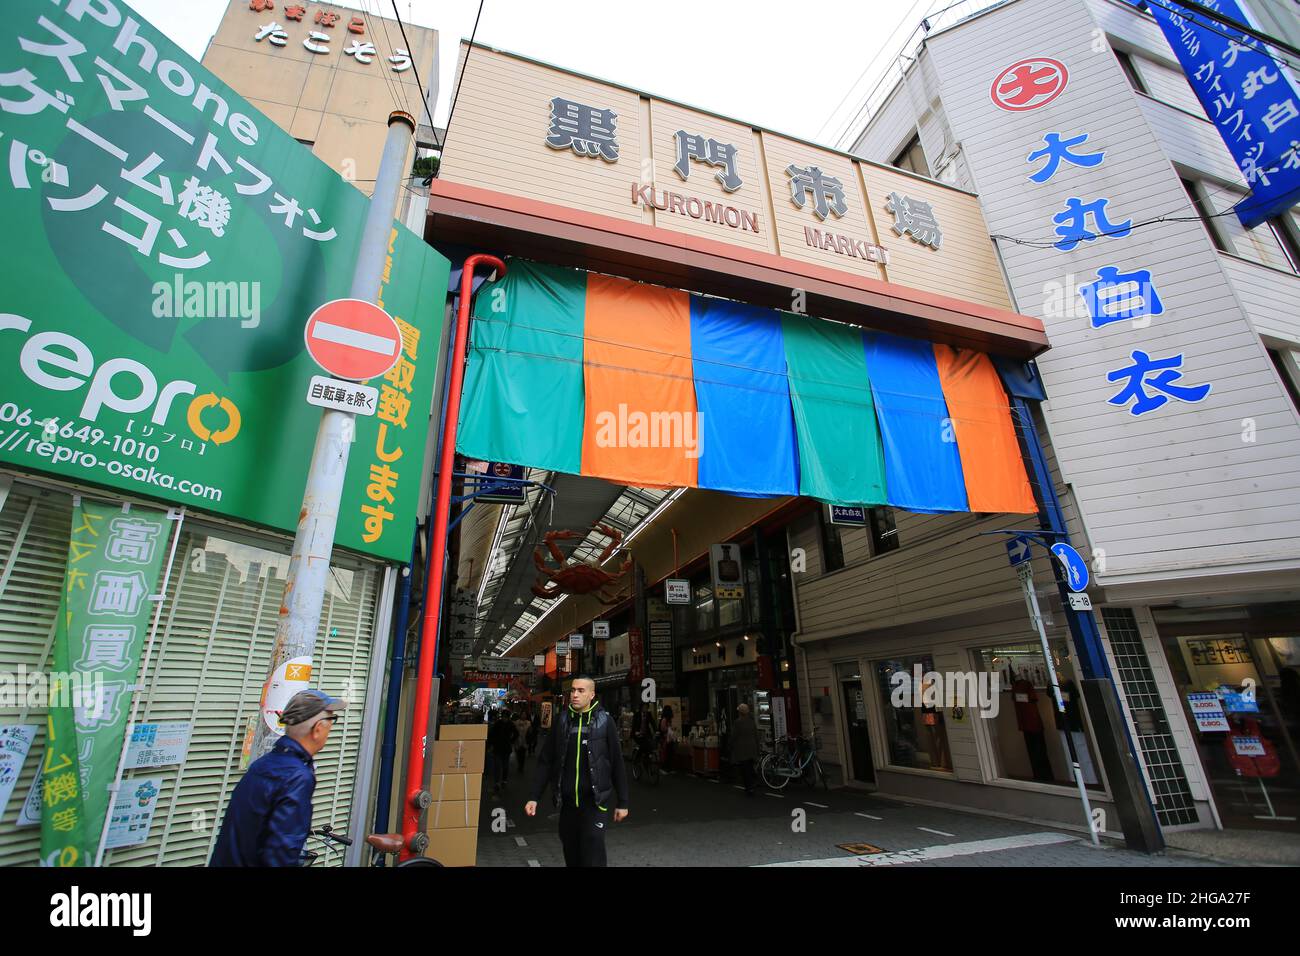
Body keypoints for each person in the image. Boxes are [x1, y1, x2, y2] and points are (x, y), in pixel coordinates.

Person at [210, 689, 346, 867]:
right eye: (331, 720)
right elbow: (282, 850)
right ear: (318, 728)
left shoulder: (263, 764)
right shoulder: (297, 776)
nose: (331, 728)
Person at [525, 676, 628, 867]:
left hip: (595, 804)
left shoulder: (606, 722)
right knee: (572, 855)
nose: (575, 695)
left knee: (593, 852)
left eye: (581, 691)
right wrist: (534, 796)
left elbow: (616, 763)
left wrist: (623, 801)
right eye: (573, 690)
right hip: (568, 805)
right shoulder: (561, 721)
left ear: (592, 694)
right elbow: (546, 761)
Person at [730, 703, 760, 795]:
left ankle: (749, 787)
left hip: (742, 749)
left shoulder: (737, 722)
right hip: (752, 748)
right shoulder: (752, 721)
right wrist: (757, 746)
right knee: (750, 767)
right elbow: (756, 735)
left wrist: (730, 744)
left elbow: (734, 735)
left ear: (740, 712)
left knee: (745, 769)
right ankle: (752, 783)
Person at [488, 710, 518, 794]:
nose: (504, 718)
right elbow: (492, 734)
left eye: (506, 717)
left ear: (508, 717)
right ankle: (497, 782)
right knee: (497, 766)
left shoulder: (511, 724)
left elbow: (516, 733)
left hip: (506, 748)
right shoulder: (498, 723)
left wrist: (511, 741)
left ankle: (504, 780)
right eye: (503, 717)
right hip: (497, 748)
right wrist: (491, 744)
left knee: (505, 765)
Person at [660, 705, 677, 774]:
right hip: (666, 739)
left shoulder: (667, 719)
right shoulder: (665, 720)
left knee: (669, 753)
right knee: (667, 753)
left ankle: (668, 768)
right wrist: (669, 729)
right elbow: (663, 729)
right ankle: (666, 768)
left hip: (668, 738)